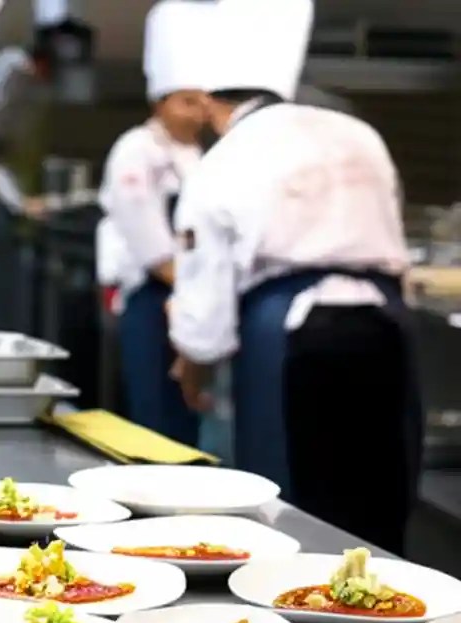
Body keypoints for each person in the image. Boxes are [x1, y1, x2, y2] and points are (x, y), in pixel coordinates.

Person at [169, 0, 420, 553]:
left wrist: (192, 364)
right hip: (385, 326)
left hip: (289, 334)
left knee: (291, 508)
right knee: (380, 492)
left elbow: (205, 311)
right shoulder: (357, 132)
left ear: (212, 103)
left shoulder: (224, 159)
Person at [96, 0, 213, 447]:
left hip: (190, 298)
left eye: (203, 103)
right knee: (155, 420)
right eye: (186, 102)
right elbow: (151, 245)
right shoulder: (136, 150)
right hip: (151, 299)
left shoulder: (200, 155)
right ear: (159, 101)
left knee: (189, 422)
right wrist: (196, 285)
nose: (197, 113)